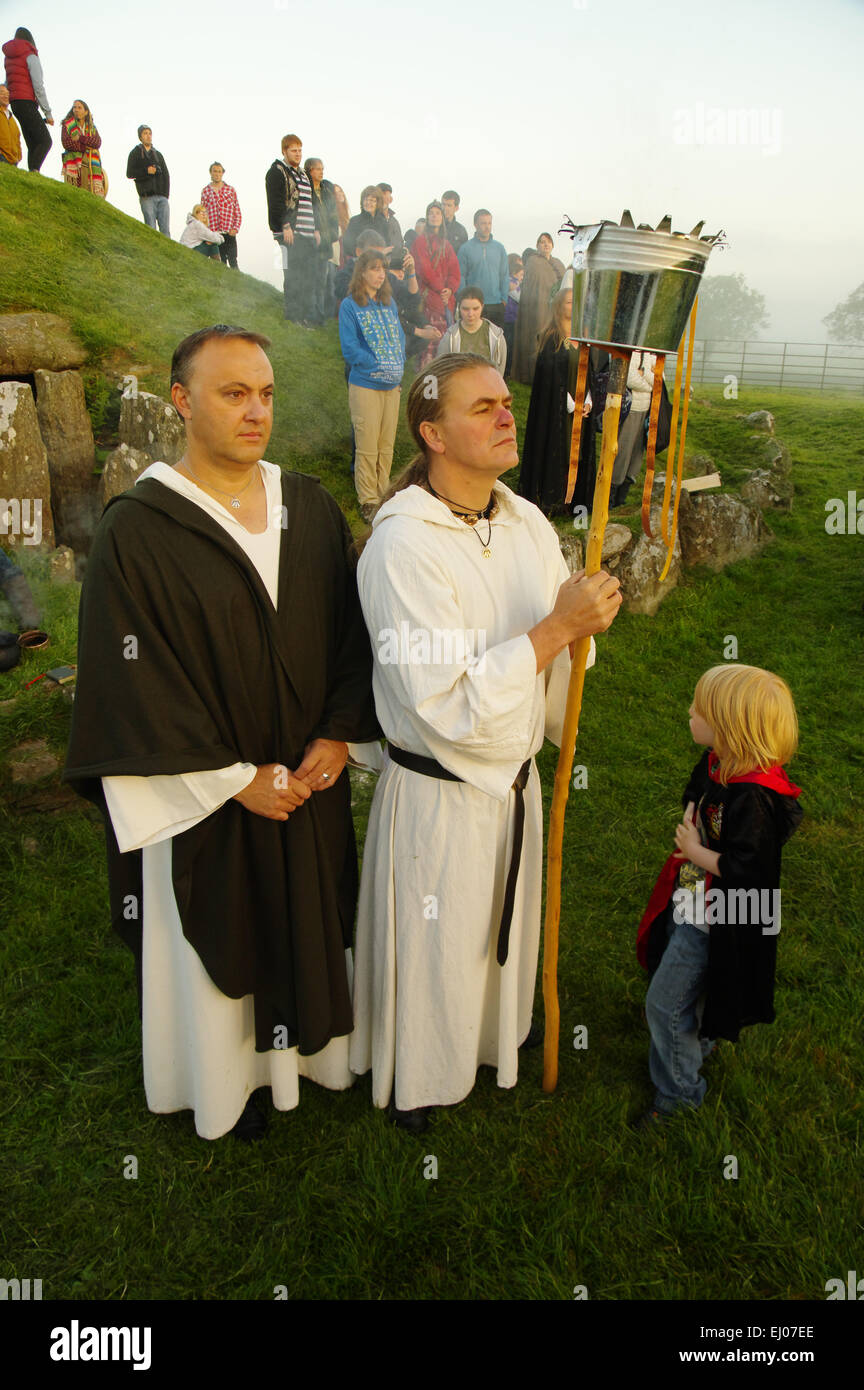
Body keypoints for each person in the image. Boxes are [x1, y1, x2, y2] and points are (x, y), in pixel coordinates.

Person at [64, 324, 379, 1142]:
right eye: (234, 393)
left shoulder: (309, 507)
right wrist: (234, 780)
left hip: (304, 781)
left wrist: (339, 733)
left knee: (307, 913)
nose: (256, 411)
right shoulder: (138, 529)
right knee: (218, 930)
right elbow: (131, 681)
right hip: (205, 795)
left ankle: (310, 1062)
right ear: (181, 399)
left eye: (266, 394)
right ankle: (223, 1084)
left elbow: (350, 636)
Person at [350, 355, 622, 1131]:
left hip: (514, 780)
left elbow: (561, 641)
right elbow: (440, 702)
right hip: (440, 791)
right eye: (483, 407)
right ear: (432, 434)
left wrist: (584, 618)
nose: (508, 415)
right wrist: (558, 629)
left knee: (494, 928)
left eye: (506, 402)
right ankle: (419, 1071)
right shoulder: (404, 546)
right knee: (438, 941)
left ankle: (493, 1034)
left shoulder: (524, 519)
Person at [636, 665, 802, 1125]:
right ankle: (697, 1038)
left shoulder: (753, 797)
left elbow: (747, 867)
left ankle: (678, 1096)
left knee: (664, 1003)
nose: (689, 712)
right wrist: (692, 814)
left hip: (719, 913)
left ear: (729, 728)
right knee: (690, 970)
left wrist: (695, 850)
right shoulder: (719, 762)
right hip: (695, 892)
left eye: (699, 709)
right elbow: (697, 789)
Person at [338, 250, 406, 521]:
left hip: (391, 386)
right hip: (365, 384)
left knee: (386, 444)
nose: (381, 274)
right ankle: (368, 499)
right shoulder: (350, 305)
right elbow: (349, 348)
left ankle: (383, 493)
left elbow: (399, 339)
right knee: (367, 444)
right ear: (362, 272)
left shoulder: (389, 303)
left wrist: (397, 367)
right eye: (375, 269)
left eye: (383, 269)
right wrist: (377, 363)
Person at [518, 286, 596, 517]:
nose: (573, 306)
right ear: (559, 306)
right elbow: (550, 379)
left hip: (582, 409)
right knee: (558, 450)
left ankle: (576, 504)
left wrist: (588, 400)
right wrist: (571, 404)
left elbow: (589, 372)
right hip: (556, 411)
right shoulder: (551, 339)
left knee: (578, 453)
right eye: (569, 302)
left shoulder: (583, 337)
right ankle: (555, 502)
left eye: (576, 302)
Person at [265, 134, 319, 324]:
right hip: (289, 234)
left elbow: (312, 203)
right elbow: (276, 202)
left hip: (308, 233)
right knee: (293, 275)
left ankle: (304, 316)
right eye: (293, 150)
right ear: (284, 151)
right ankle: (293, 316)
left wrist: (317, 229)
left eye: (300, 150)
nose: (298, 154)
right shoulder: (277, 172)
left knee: (307, 276)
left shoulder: (304, 174)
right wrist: (285, 225)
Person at [411, 200, 461, 367]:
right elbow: (424, 269)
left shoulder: (447, 245)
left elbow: (455, 271)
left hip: (445, 300)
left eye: (438, 213)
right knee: (428, 344)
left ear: (442, 218)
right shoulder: (420, 242)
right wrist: (441, 290)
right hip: (427, 298)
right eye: (431, 213)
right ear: (427, 217)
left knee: (445, 343)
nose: (434, 216)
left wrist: (450, 289)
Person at [511, 234, 566, 384]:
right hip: (537, 309)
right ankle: (532, 375)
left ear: (552, 245)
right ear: (537, 246)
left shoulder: (558, 263)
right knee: (537, 339)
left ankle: (551, 375)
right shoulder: (533, 262)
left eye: (548, 242)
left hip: (555, 310)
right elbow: (533, 287)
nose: (545, 245)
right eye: (542, 242)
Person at [610, 351, 657, 507]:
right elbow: (629, 379)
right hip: (630, 408)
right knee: (623, 451)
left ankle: (622, 498)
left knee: (637, 454)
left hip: (646, 409)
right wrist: (650, 383)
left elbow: (660, 380)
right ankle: (610, 496)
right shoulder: (633, 351)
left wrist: (644, 374)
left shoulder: (652, 353)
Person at [2, 27, 52, 171]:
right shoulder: (30, 55)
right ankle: (34, 171)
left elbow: (7, 82)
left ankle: (32, 174)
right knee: (45, 141)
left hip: (15, 103)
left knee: (33, 143)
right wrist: (47, 113)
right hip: (27, 102)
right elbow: (38, 86)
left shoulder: (9, 57)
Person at [388, 248, 442, 364]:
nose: (401, 274)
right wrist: (420, 332)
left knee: (423, 339)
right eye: (396, 270)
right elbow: (392, 319)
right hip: (386, 337)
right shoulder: (382, 290)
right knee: (414, 338)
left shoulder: (399, 287)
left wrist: (426, 326)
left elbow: (413, 305)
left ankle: (400, 363)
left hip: (399, 336)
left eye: (403, 270)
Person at [435, 286, 506, 374]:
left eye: (475, 309)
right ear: (459, 308)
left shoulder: (497, 336)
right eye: (465, 309)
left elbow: (499, 372)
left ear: (482, 307)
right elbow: (441, 369)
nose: (470, 314)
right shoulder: (449, 337)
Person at [457, 210, 509, 326]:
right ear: (475, 225)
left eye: (489, 223)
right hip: (473, 305)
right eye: (483, 223)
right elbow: (460, 276)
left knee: (495, 337)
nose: (487, 227)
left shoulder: (499, 248)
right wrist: (463, 299)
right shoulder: (465, 249)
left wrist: (504, 299)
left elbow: (504, 275)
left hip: (496, 304)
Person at [305, 157, 340, 323]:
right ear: (309, 170)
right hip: (310, 245)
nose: (321, 172)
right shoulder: (305, 191)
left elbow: (334, 220)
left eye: (322, 169)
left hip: (325, 246)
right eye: (317, 169)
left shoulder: (327, 193)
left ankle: (319, 318)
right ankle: (310, 316)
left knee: (322, 283)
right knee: (310, 282)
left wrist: (328, 237)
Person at [126, 125, 170, 235]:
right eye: (145, 133)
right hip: (146, 197)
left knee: (165, 229)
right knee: (151, 228)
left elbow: (166, 175)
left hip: (162, 197)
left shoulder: (158, 155)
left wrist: (165, 195)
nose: (148, 136)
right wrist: (146, 171)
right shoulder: (135, 153)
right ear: (140, 137)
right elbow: (129, 173)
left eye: (150, 133)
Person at [200, 163, 242, 270]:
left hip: (229, 232)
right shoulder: (206, 191)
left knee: (233, 262)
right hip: (214, 234)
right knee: (220, 263)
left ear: (222, 173)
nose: (217, 174)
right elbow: (202, 214)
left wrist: (235, 228)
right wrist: (206, 233)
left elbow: (237, 211)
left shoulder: (230, 190)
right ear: (210, 173)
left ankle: (237, 281)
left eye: (219, 171)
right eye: (214, 171)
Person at [60, 100, 106, 197]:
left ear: (86, 112)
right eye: (74, 107)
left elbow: (97, 142)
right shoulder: (67, 125)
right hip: (74, 163)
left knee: (89, 192)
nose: (76, 110)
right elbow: (67, 143)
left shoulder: (91, 128)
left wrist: (80, 138)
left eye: (79, 107)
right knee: (75, 192)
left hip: (90, 163)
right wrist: (86, 147)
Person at [342, 186, 391, 260]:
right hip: (360, 261)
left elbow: (388, 245)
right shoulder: (354, 221)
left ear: (378, 203)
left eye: (372, 200)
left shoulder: (383, 223)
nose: (368, 203)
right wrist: (362, 253)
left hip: (379, 261)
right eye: (365, 200)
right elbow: (347, 246)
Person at [503, 253, 523, 377]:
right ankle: (507, 370)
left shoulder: (512, 282)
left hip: (511, 317)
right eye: (521, 275)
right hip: (510, 318)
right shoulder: (512, 283)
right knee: (509, 344)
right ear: (515, 273)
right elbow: (518, 297)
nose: (522, 277)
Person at [376, 182, 404, 265]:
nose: (382, 197)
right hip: (378, 265)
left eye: (384, 194)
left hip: (395, 266)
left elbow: (400, 243)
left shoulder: (395, 222)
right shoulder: (370, 220)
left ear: (391, 199)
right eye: (379, 194)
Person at [0, 83, 21, 164]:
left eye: (8, 94)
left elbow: (18, 138)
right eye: (2, 93)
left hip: (13, 160)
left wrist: (19, 156)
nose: (5, 96)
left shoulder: (12, 119)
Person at [441, 190, 468, 254]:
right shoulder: (432, 226)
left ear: (456, 208)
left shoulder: (461, 231)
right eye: (443, 204)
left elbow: (464, 254)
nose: (445, 208)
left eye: (449, 205)